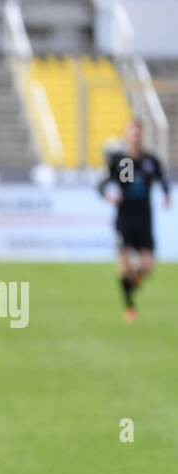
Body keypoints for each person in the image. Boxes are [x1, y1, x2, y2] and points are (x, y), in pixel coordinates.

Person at [100, 117, 169, 323]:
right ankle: (130, 307)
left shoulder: (150, 161)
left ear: (142, 135)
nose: (135, 135)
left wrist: (166, 194)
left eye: (138, 132)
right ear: (126, 135)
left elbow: (162, 179)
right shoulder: (122, 161)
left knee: (147, 267)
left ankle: (131, 285)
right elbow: (103, 183)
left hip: (145, 220)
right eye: (132, 131)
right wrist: (109, 195)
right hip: (125, 221)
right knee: (126, 266)